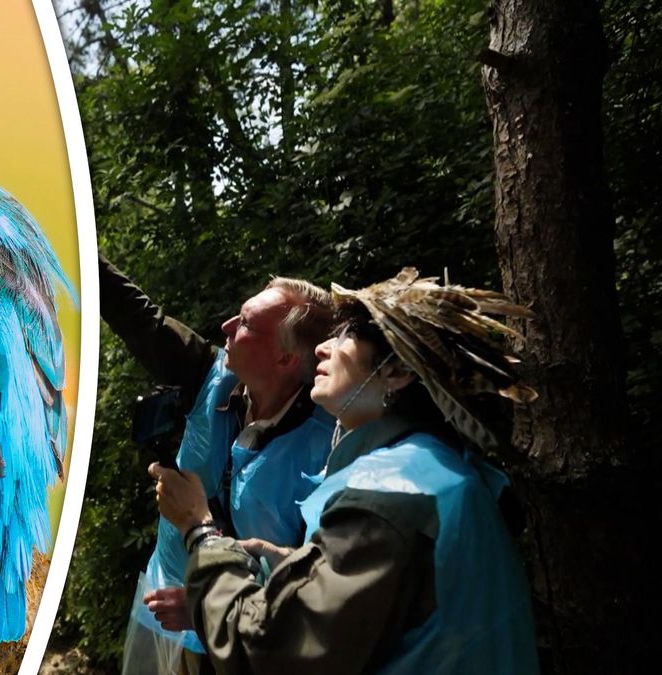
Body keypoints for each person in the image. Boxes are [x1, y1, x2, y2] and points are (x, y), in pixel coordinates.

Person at [151, 268, 540, 674]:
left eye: (346, 335)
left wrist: (201, 532)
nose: (322, 348)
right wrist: (287, 563)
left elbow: (270, 651)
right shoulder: (434, 468)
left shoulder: (391, 494)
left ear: (397, 373)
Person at [98, 255, 335, 674]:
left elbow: (319, 587)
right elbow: (137, 316)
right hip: (159, 612)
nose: (226, 326)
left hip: (244, 645)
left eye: (246, 324)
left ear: (285, 359)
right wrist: (81, 249)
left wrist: (200, 606)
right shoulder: (209, 374)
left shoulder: (328, 447)